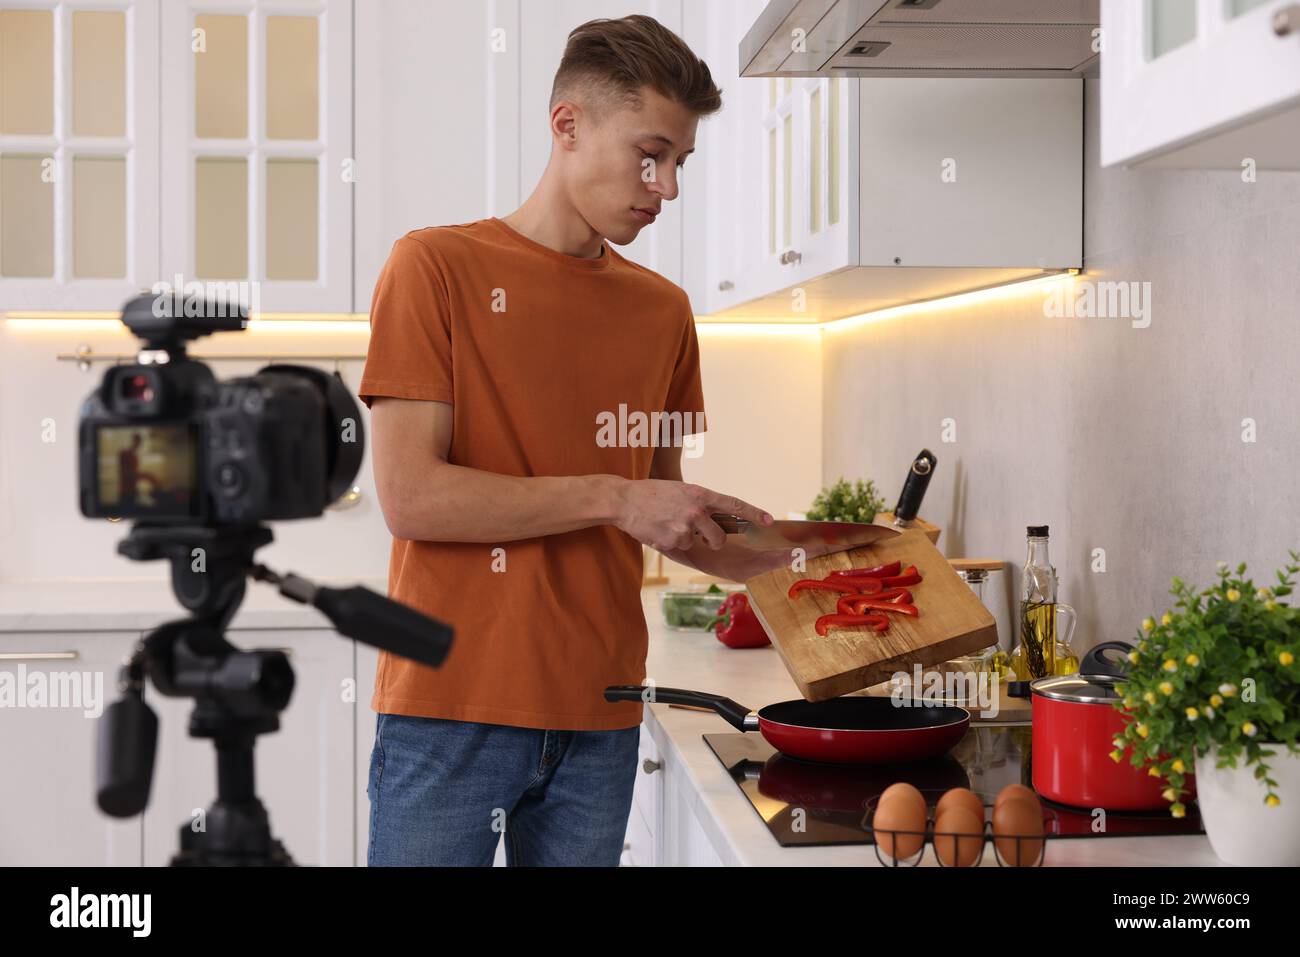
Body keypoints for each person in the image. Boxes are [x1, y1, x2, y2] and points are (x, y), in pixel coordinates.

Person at [358, 14, 775, 867]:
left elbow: (664, 510)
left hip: (601, 716)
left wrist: (804, 558)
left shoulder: (664, 311)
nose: (665, 187)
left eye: (680, 164)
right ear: (568, 125)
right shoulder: (433, 268)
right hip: (450, 713)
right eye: (649, 154)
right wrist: (614, 495)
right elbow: (412, 498)